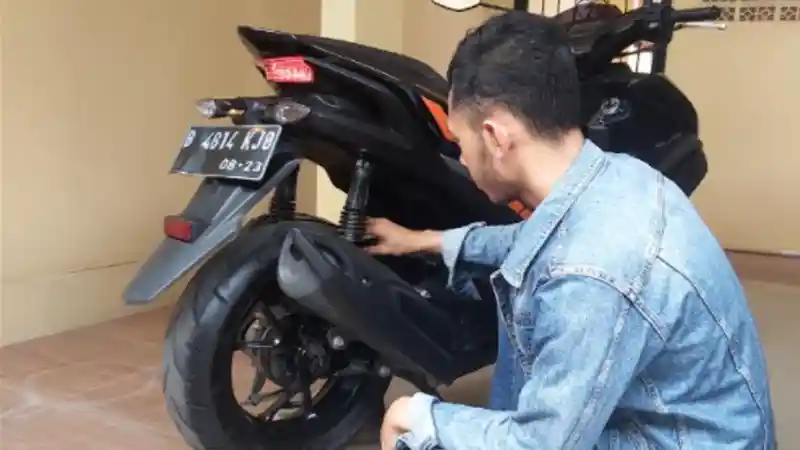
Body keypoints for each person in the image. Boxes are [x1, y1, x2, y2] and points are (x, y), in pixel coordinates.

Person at [367, 10, 777, 450]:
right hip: (691, 426)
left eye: (459, 141)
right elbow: (529, 241)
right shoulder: (616, 176)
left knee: (414, 428)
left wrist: (419, 416)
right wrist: (421, 241)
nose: (462, 158)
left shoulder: (589, 272)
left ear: (495, 137)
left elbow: (543, 443)